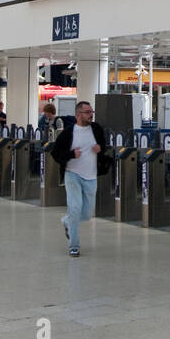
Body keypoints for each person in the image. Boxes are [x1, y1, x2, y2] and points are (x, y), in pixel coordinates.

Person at [49, 101, 109, 257]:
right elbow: (55, 153)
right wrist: (71, 155)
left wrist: (100, 149)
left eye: (91, 112)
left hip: (91, 176)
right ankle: (74, 246)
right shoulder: (69, 133)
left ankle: (67, 221)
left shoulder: (96, 129)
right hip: (72, 174)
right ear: (78, 114)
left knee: (87, 214)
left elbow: (104, 145)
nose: (91, 114)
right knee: (75, 208)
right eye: (87, 112)